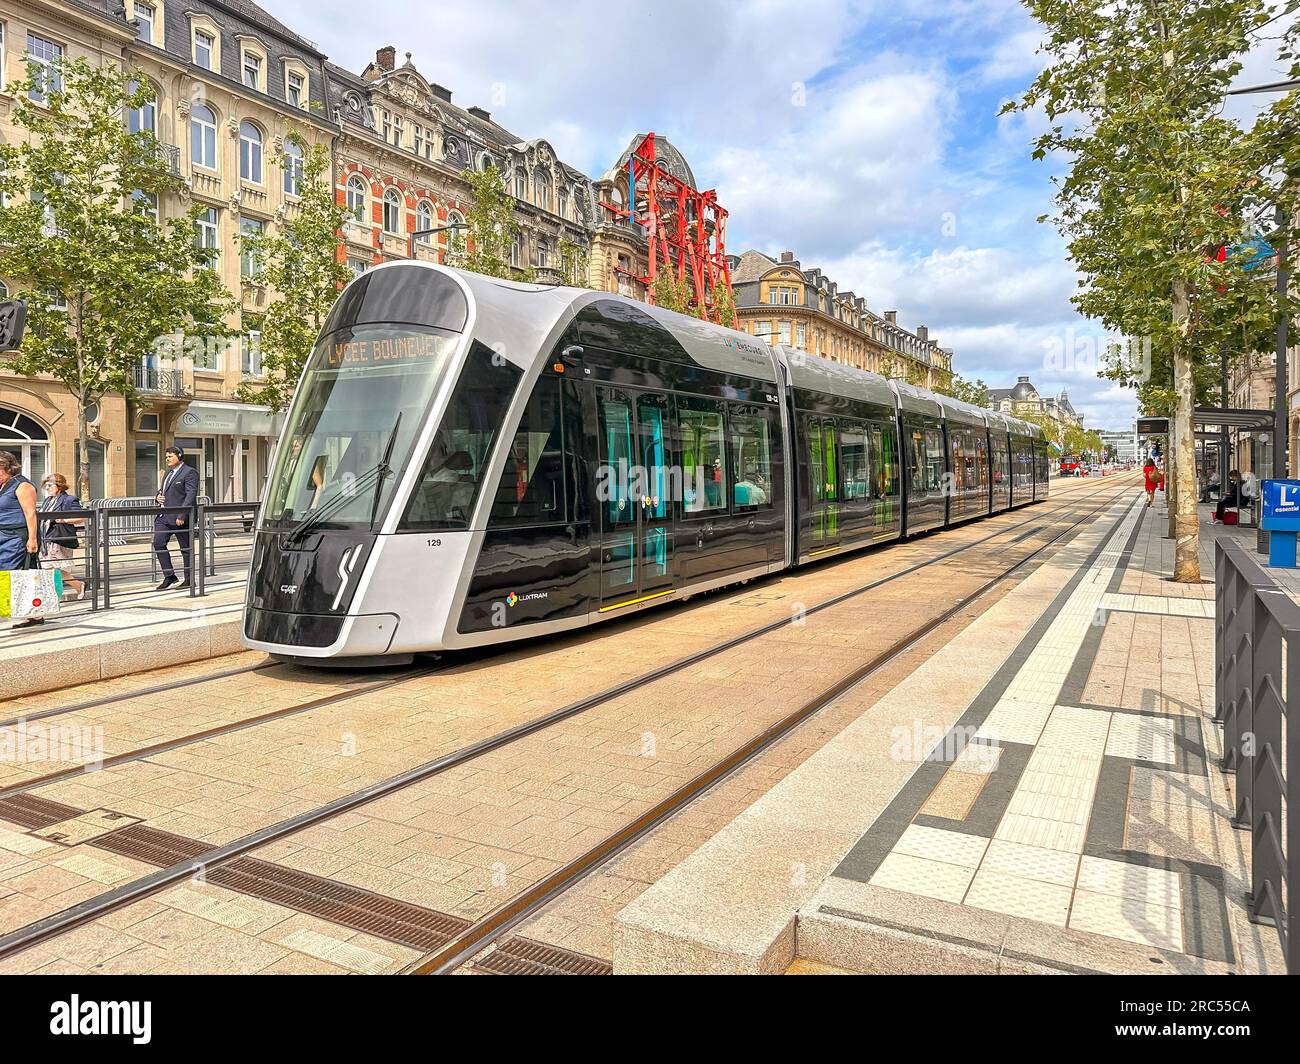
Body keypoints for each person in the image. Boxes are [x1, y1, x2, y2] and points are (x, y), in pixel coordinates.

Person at [0, 451, 40, 627]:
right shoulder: (3, 485)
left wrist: (32, 539)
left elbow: (30, 513)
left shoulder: (22, 485)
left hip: (16, 536)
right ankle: (34, 614)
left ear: (8, 468)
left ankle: (12, 609)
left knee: (10, 572)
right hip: (3, 535)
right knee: (16, 574)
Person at [153, 445, 199, 590]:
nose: (167, 459)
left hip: (181, 517)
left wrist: (182, 514)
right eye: (166, 457)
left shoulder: (190, 472)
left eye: (170, 456)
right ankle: (169, 576)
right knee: (158, 543)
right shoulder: (168, 473)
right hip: (164, 516)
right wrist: (157, 497)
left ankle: (189, 579)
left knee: (186, 548)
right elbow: (163, 491)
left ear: (179, 456)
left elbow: (191, 495)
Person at [38, 473, 86, 601]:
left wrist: (63, 520)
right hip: (46, 539)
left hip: (59, 538)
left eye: (50, 485)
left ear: (59, 486)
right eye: (46, 486)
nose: (47, 488)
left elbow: (82, 517)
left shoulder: (69, 500)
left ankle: (56, 596)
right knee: (50, 568)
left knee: (50, 567)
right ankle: (75, 586)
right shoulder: (48, 501)